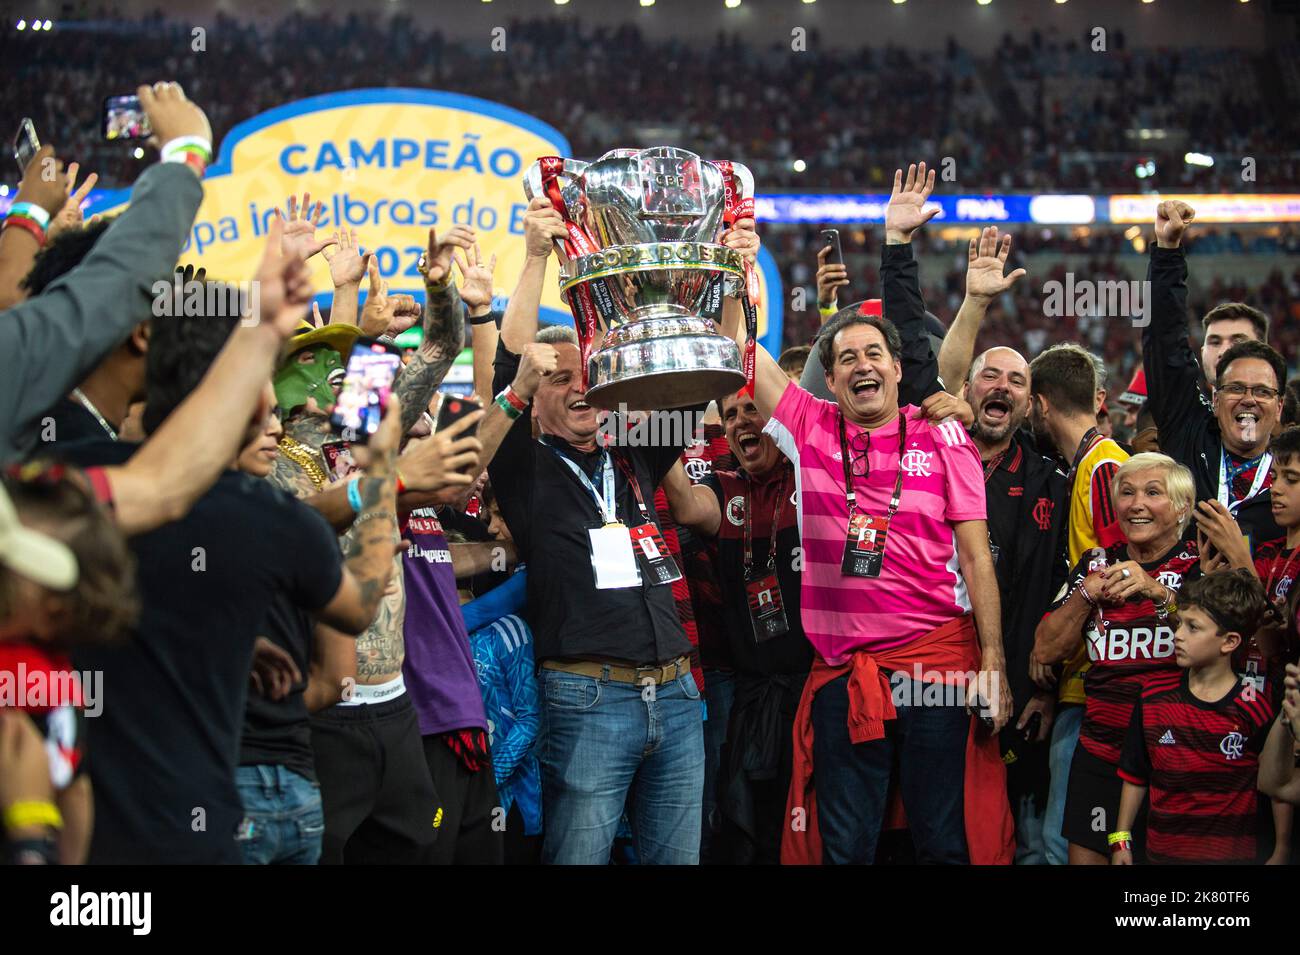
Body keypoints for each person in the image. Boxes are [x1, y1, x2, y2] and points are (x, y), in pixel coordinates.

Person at [65, 301, 402, 863]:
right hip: (221, 788)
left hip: (321, 751)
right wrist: (381, 479)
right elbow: (352, 595)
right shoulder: (261, 496)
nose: (329, 385)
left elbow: (382, 404)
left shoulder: (82, 484)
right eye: (311, 370)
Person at [749, 164, 1011, 865]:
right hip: (845, 673)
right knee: (847, 845)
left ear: (898, 369)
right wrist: (738, 266)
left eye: (875, 352)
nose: (863, 363)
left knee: (941, 840)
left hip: (937, 664)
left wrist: (995, 662)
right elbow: (745, 358)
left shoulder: (944, 430)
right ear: (830, 381)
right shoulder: (809, 427)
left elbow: (978, 556)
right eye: (846, 358)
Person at [486, 196, 713, 865]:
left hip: (675, 691)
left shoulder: (633, 453)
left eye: (587, 374)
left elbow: (698, 382)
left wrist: (724, 282)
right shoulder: (521, 466)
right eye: (559, 380)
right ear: (534, 399)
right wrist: (533, 256)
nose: (578, 386)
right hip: (587, 694)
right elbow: (507, 362)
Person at [0, 83, 209, 464]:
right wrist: (186, 152)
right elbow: (123, 276)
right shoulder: (80, 462)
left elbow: (13, 305)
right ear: (140, 331)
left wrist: (33, 220)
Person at [1034, 453, 1208, 865]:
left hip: (1175, 756)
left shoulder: (1199, 565)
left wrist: (1157, 592)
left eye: (1153, 493)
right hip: (1101, 753)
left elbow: (1220, 641)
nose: (1136, 504)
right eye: (1126, 493)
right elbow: (1046, 649)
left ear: (1183, 507)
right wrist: (1087, 595)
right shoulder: (1095, 564)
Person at [662, 387, 811, 864]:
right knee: (748, 831)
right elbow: (684, 505)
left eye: (753, 410)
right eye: (730, 415)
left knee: (812, 829)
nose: (742, 421)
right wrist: (642, 412)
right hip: (750, 695)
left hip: (813, 690)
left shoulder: (814, 480)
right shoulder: (727, 491)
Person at [1027, 341, 1130, 865]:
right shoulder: (1088, 465)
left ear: (1042, 405)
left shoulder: (1105, 467)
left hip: (1100, 694)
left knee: (1063, 848)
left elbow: (1118, 576)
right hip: (1078, 686)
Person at [1142, 200, 1283, 550]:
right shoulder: (1188, 429)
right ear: (1215, 398)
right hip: (1180, 601)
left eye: (1262, 392)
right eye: (1235, 388)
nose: (1248, 398)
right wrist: (1168, 252)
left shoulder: (1292, 469)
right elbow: (1165, 341)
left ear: (1280, 405)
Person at [1112, 570, 1273, 865]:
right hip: (1161, 857)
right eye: (1180, 623)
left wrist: (1283, 849)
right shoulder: (1153, 697)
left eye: (1193, 627)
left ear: (1229, 642)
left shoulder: (1255, 706)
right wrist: (1120, 840)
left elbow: (1275, 789)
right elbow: (1135, 775)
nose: (1178, 634)